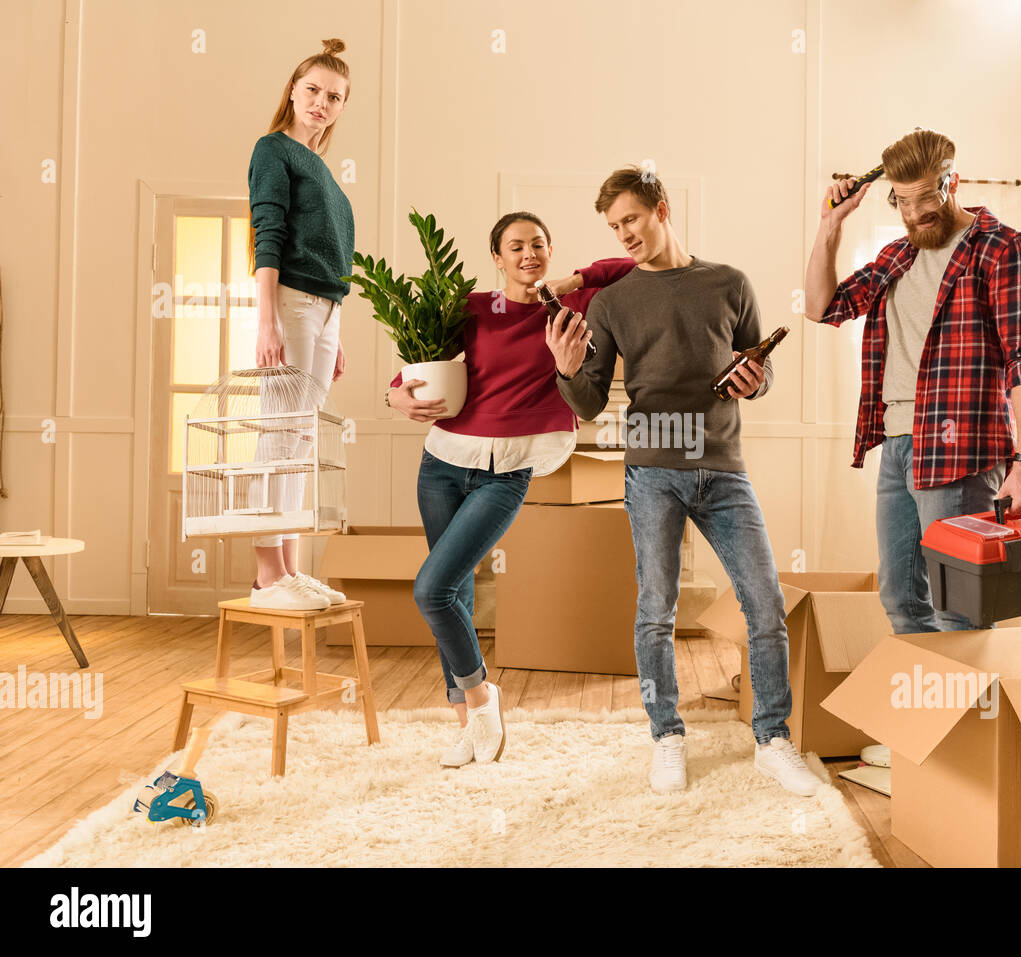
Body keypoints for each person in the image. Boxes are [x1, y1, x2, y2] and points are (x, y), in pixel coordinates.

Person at [547, 166, 822, 797]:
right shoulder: (611, 302)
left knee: (765, 603)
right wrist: (566, 370)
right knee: (655, 611)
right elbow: (588, 403)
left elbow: (760, 363)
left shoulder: (728, 283)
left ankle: (772, 739)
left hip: (724, 469)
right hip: (653, 471)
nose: (625, 235)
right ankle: (666, 735)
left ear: (661, 208)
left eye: (632, 220)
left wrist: (759, 378)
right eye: (614, 228)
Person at [388, 212, 634, 767]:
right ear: (496, 257)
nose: (529, 254)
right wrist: (395, 396)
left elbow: (629, 267)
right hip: (444, 463)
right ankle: (469, 725)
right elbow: (417, 360)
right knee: (453, 596)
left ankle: (482, 699)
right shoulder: (473, 308)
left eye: (538, 244)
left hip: (508, 471)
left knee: (431, 591)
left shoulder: (572, 308)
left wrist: (571, 281)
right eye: (516, 247)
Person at [803, 127, 1021, 634]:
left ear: (952, 182)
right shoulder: (899, 256)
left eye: (926, 200)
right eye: (902, 203)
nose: (915, 215)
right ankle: (927, 710)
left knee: (956, 607)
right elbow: (819, 307)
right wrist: (831, 225)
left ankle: (970, 712)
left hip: (959, 450)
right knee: (900, 599)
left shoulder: (1002, 250)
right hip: (897, 447)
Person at [246, 38, 355, 611]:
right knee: (279, 433)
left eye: (333, 96)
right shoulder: (274, 150)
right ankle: (268, 574)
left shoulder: (321, 169)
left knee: (302, 440)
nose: (320, 102)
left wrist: (337, 326)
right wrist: (267, 319)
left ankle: (291, 567)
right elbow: (270, 233)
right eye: (312, 89)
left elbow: (331, 254)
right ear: (293, 90)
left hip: (324, 310)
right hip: (289, 303)